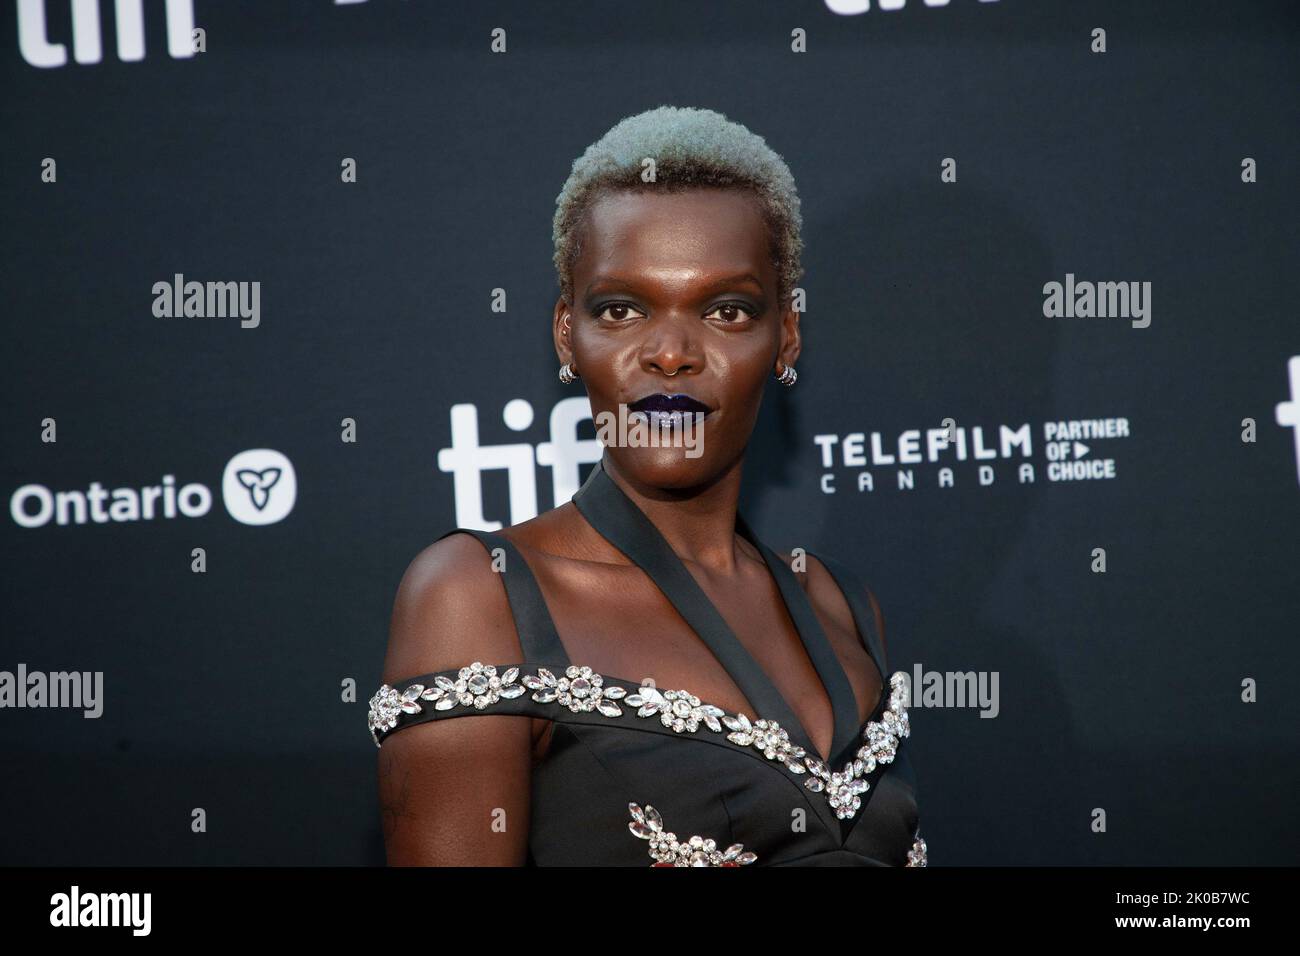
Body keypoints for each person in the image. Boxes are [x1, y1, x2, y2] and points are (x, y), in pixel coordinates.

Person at [369, 105, 925, 866]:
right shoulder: (479, 596)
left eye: (727, 310)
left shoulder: (842, 606)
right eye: (622, 309)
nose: (669, 354)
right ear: (568, 333)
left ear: (786, 336)